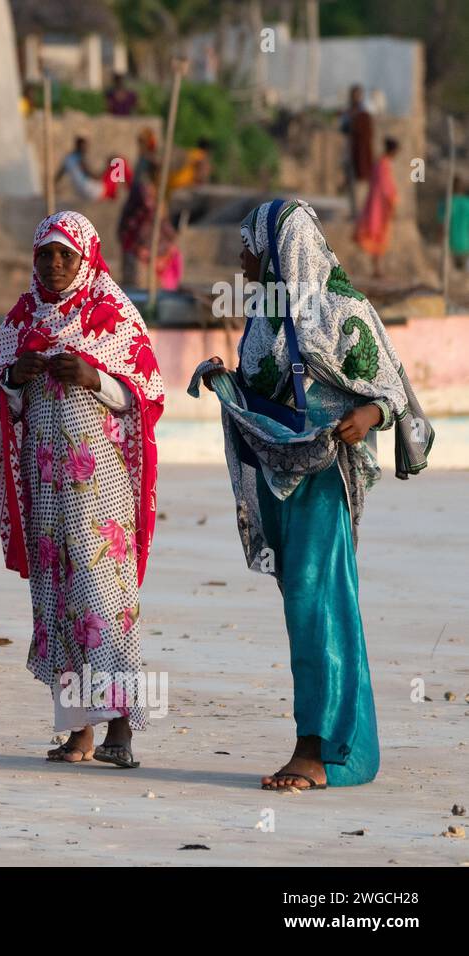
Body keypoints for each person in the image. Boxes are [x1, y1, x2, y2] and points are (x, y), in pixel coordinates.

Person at [193, 198, 433, 790]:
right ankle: (344, 747)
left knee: (315, 601)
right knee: (312, 602)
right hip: (281, 479)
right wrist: (227, 381)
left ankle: (317, 750)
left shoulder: (340, 308)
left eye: (250, 247)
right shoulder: (265, 315)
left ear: (280, 249)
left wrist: (370, 414)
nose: (243, 260)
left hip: (324, 479)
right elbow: (262, 389)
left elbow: (391, 387)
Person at [0, 211, 164, 767]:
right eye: (46, 255)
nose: (56, 265)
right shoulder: (20, 319)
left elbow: (148, 391)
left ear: (86, 256)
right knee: (58, 601)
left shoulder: (110, 313)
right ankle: (78, 735)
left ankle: (122, 732)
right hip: (46, 488)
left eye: (66, 254)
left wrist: (94, 378)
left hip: (101, 490)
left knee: (103, 601)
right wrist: (18, 377)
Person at [118, 165, 182, 289]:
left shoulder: (153, 201)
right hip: (138, 247)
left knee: (173, 253)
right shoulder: (143, 198)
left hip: (149, 246)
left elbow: (165, 227)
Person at [355, 137, 399, 277]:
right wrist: (394, 202)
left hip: (377, 205)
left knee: (379, 235)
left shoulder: (380, 164)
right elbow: (386, 189)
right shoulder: (383, 165)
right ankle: (376, 268)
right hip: (379, 207)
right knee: (377, 234)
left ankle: (377, 268)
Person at [340, 85, 374, 218]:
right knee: (351, 185)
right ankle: (354, 212)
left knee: (361, 186)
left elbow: (366, 135)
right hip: (349, 153)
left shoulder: (363, 114)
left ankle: (361, 213)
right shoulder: (349, 113)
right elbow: (344, 128)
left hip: (359, 155)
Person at [55, 136, 106, 201]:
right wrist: (106, 170)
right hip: (91, 191)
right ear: (79, 146)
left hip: (78, 191)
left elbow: (58, 176)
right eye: (85, 146)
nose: (86, 149)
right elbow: (94, 176)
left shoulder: (68, 158)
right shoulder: (80, 159)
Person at [438, 175, 469, 269]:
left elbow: (441, 225)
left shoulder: (445, 203)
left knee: (451, 275)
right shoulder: (467, 204)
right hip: (466, 244)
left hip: (450, 244)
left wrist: (440, 242)